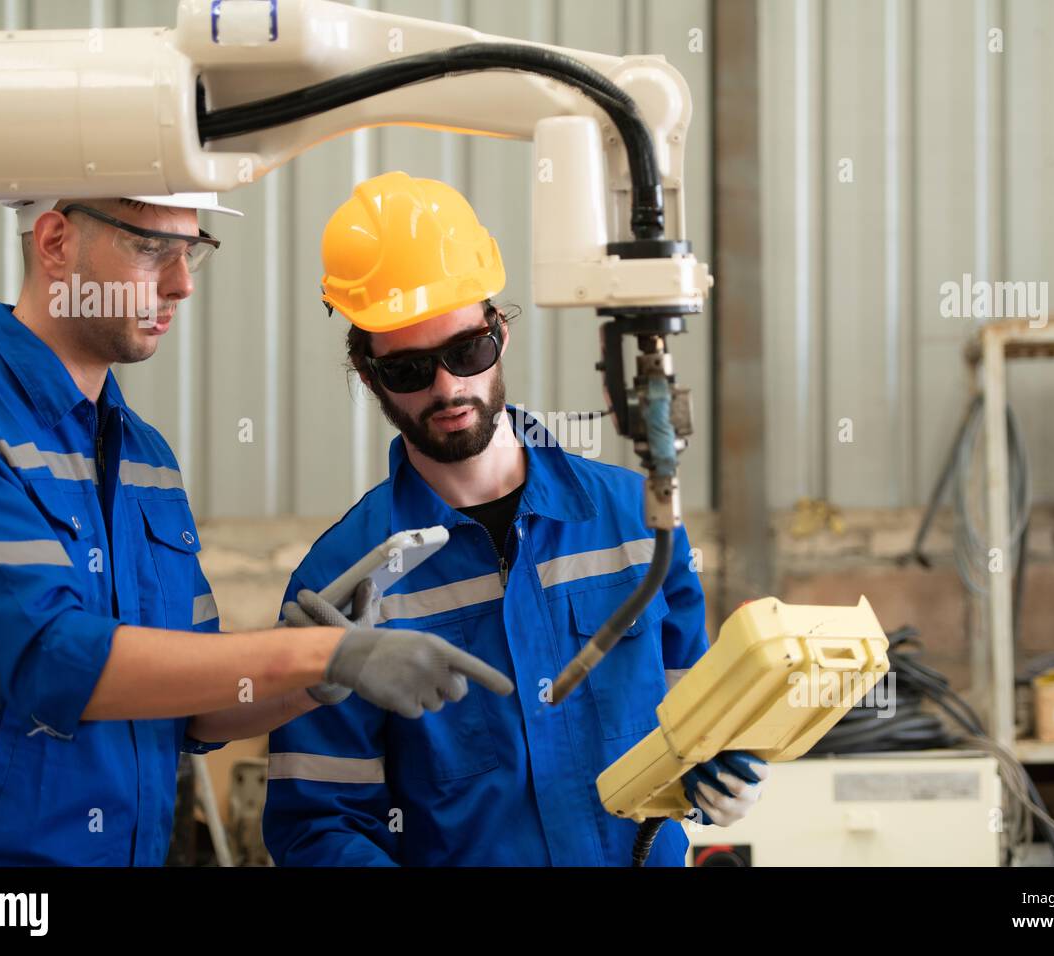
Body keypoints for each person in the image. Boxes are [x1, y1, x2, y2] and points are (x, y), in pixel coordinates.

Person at [0, 193, 510, 866]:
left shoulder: (145, 457)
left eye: (191, 252)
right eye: (151, 248)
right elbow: (49, 659)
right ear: (53, 243)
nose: (182, 284)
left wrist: (314, 676)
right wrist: (313, 657)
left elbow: (196, 712)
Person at [265, 171, 768, 866]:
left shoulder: (636, 523)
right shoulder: (341, 581)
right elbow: (318, 825)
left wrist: (722, 763)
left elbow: (697, 711)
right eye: (410, 371)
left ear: (499, 330)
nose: (449, 388)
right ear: (367, 373)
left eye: (467, 352)